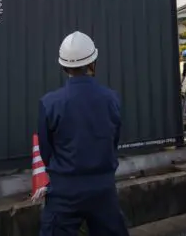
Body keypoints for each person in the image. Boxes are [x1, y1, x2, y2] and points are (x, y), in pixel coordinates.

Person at [36, 31, 129, 236]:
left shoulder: (50, 103)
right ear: (92, 63)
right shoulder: (111, 99)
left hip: (64, 190)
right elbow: (113, 141)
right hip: (103, 189)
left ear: (63, 66)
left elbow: (46, 151)